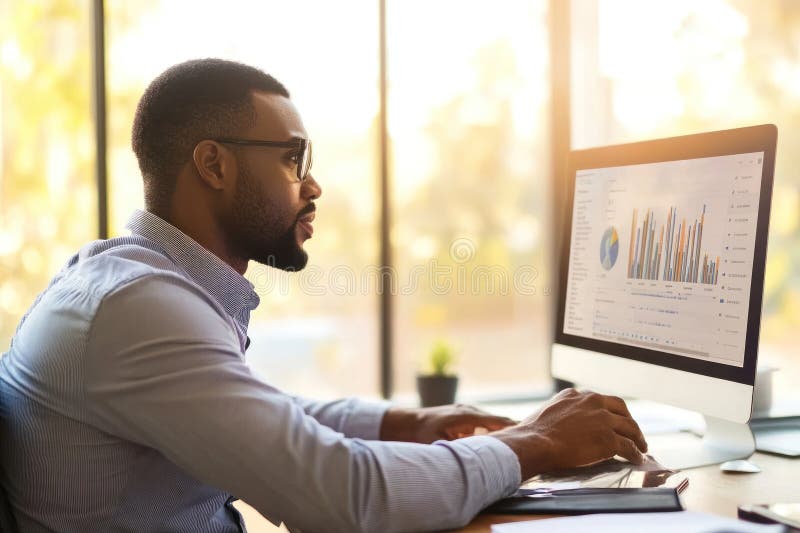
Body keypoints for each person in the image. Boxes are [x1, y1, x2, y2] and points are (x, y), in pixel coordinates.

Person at [0, 59, 648, 533]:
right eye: (292, 158)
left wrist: (406, 422)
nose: (313, 186)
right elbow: (343, 495)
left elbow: (259, 412)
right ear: (214, 165)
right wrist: (535, 441)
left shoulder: (133, 284)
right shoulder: (135, 309)